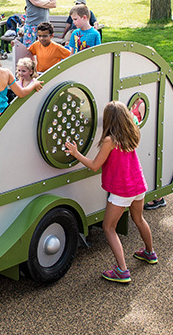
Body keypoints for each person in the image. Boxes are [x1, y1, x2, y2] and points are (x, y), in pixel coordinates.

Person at [65, 101, 157, 283]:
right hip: (138, 185)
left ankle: (122, 271)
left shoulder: (110, 140)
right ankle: (149, 253)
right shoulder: (132, 133)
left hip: (122, 190)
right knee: (139, 219)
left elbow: (94, 165)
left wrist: (76, 154)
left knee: (108, 228)